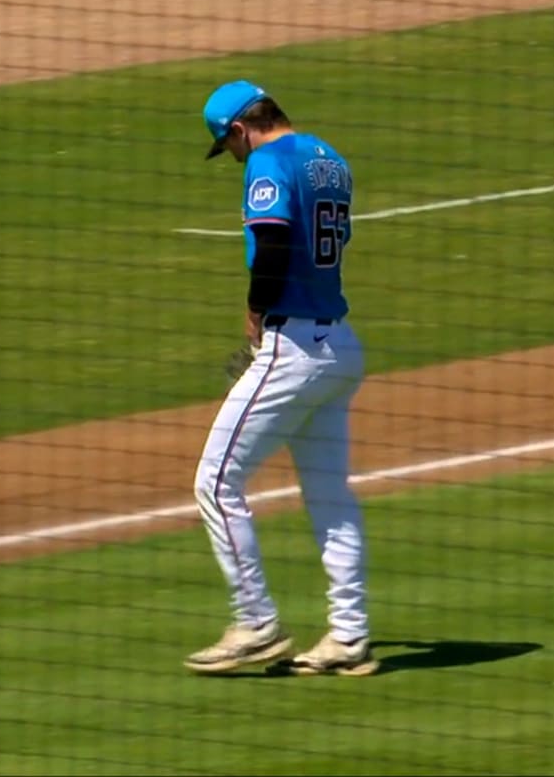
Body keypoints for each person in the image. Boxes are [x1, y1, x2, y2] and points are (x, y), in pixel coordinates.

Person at [182, 79, 377, 678]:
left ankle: (256, 621)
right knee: (329, 496)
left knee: (216, 483)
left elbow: (270, 240)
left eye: (230, 146)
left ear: (240, 130)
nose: (234, 157)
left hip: (291, 345)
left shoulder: (268, 162)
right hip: (339, 342)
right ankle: (350, 635)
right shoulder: (329, 158)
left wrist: (257, 311)